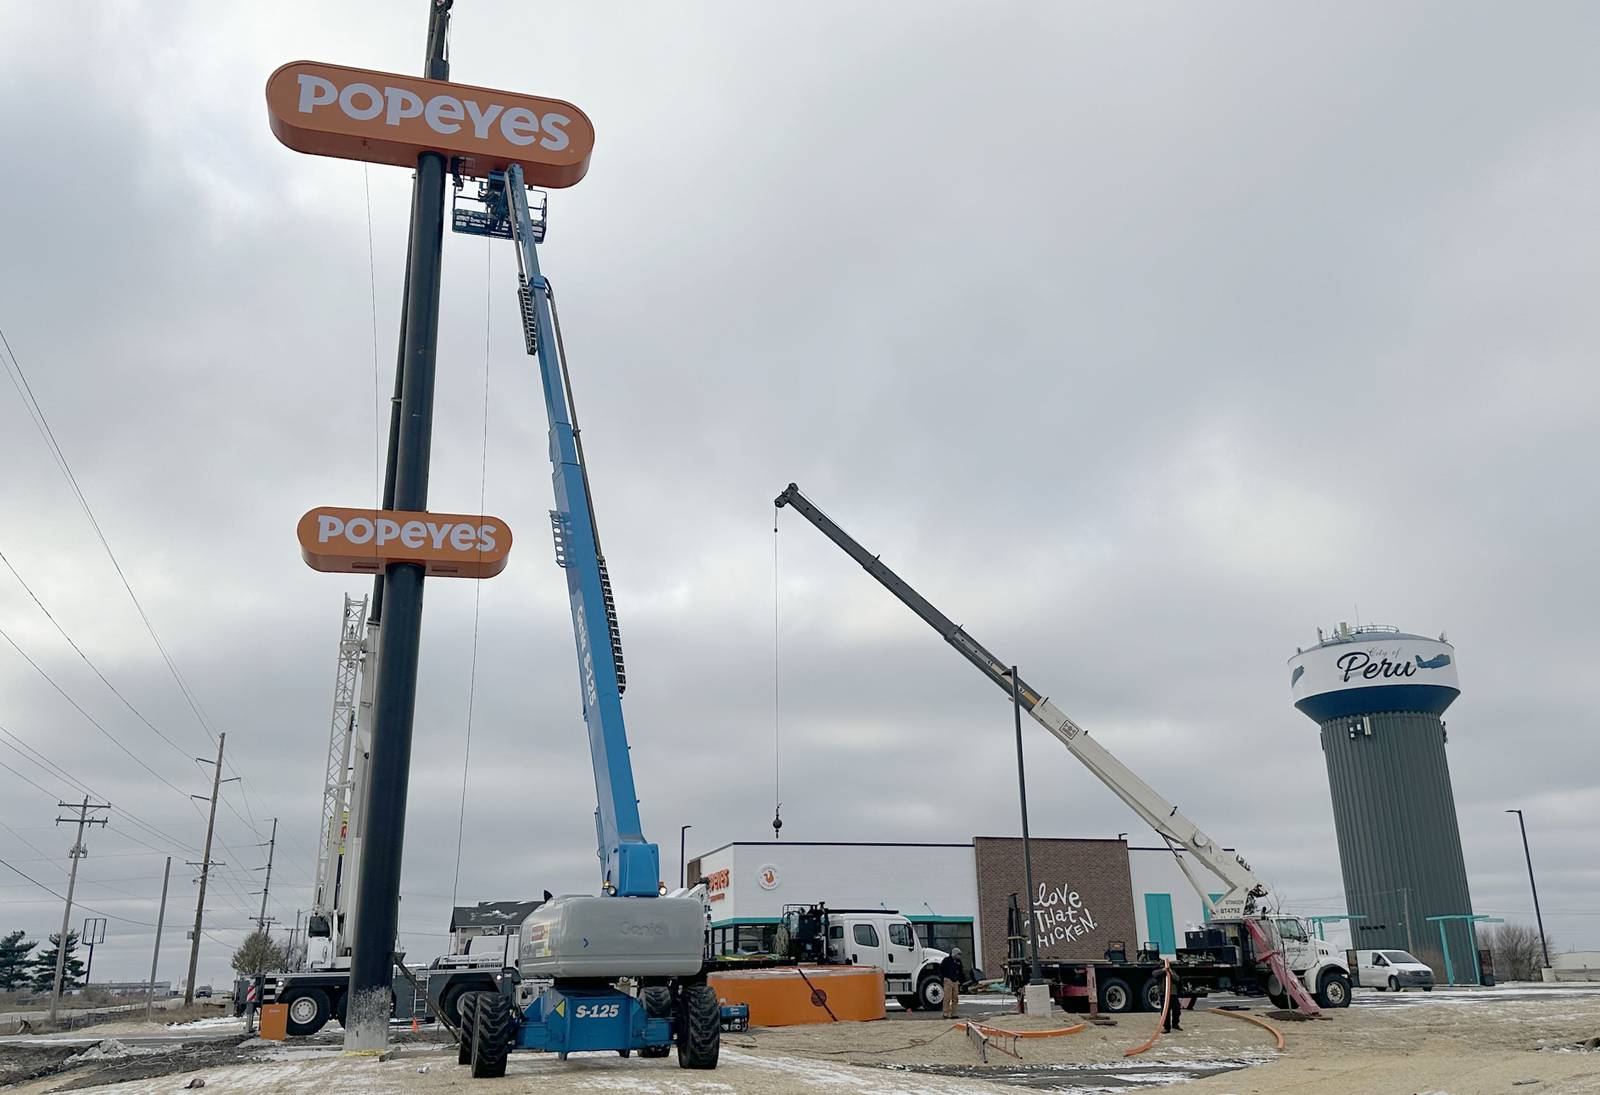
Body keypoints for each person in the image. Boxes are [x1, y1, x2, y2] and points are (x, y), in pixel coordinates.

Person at [940, 947, 965, 1019]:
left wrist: (961, 980)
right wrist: (943, 978)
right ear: (954, 954)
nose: (959, 956)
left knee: (955, 998)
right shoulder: (946, 960)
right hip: (948, 980)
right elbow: (941, 969)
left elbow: (961, 971)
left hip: (956, 981)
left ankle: (954, 1013)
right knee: (947, 997)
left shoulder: (959, 962)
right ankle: (945, 1013)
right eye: (958, 954)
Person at [1161, 963, 1183, 1032]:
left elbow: (1177, 979)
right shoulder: (1160, 970)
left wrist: (1170, 972)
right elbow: (1155, 974)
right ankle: (1166, 1027)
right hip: (1164, 994)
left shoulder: (1173, 971)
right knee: (1165, 1012)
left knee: (1177, 1010)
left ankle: (1175, 1024)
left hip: (1173, 994)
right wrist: (1163, 970)